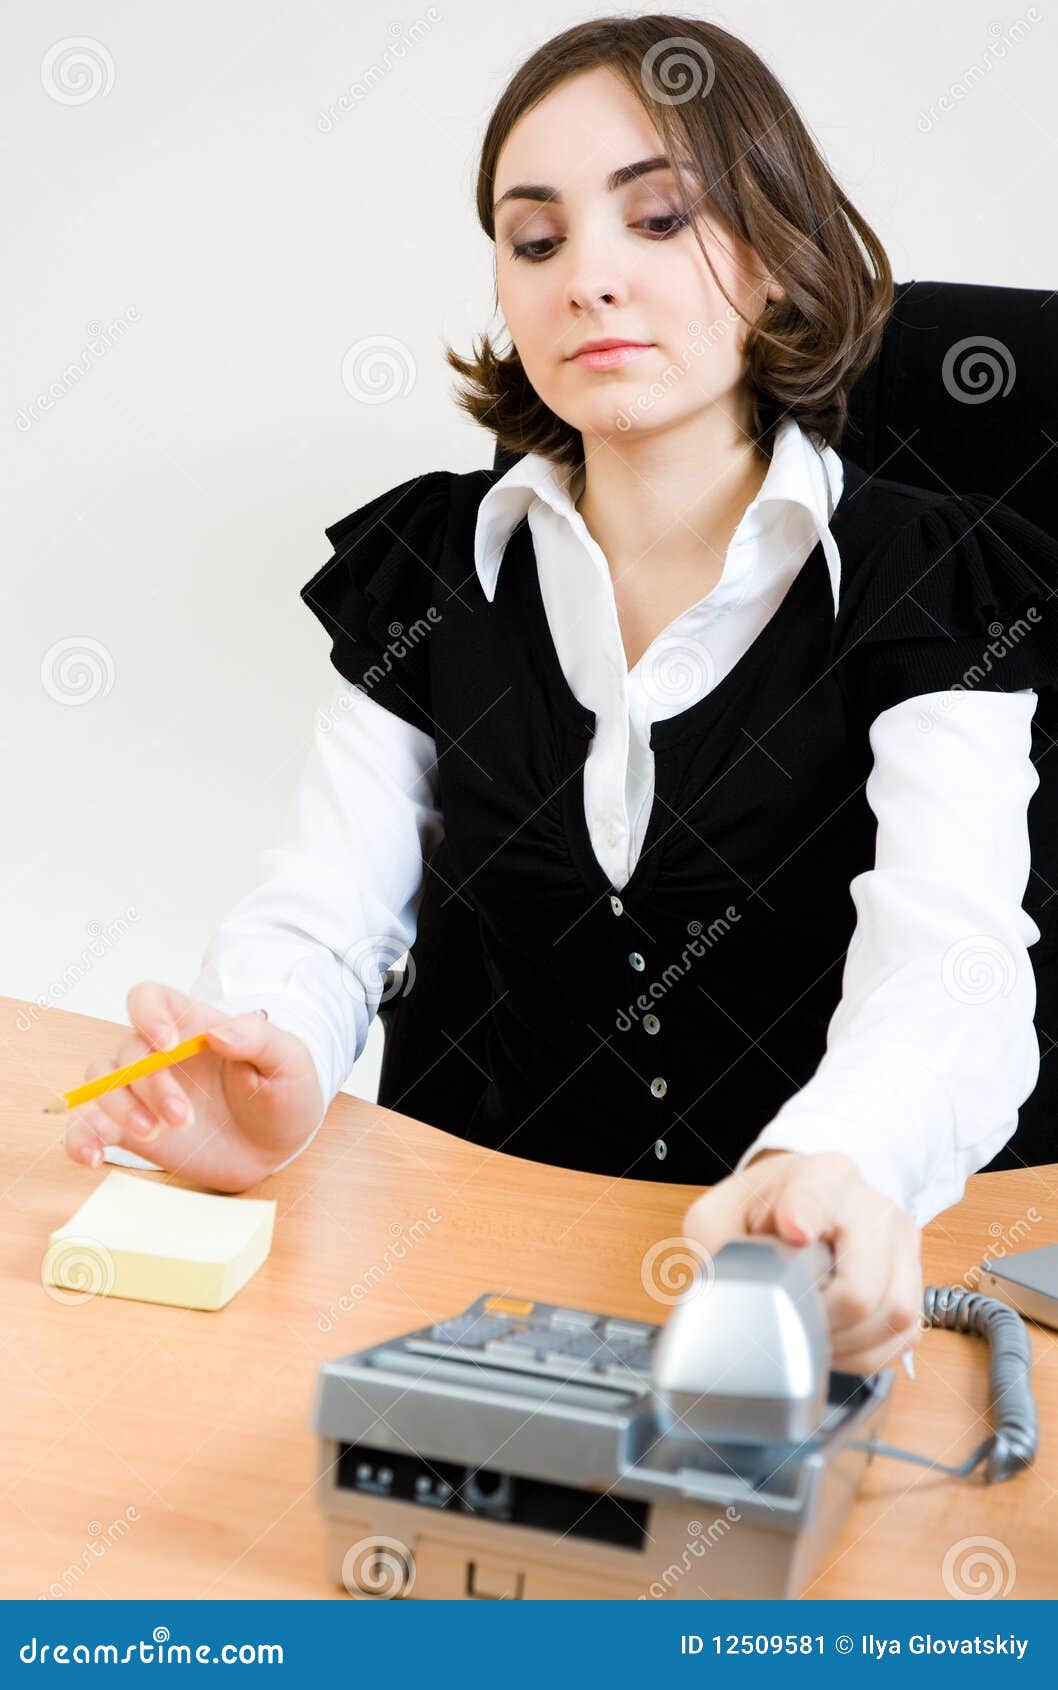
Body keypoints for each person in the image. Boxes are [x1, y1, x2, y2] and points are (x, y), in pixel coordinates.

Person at [63, 17, 1058, 1378]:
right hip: (497, 1272)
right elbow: (320, 911)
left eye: (657, 221)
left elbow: (953, 964)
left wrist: (837, 1161)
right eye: (535, 240)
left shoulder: (927, 576)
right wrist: (273, 1061)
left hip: (805, 1283)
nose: (587, 276)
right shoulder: (434, 564)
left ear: (772, 261)